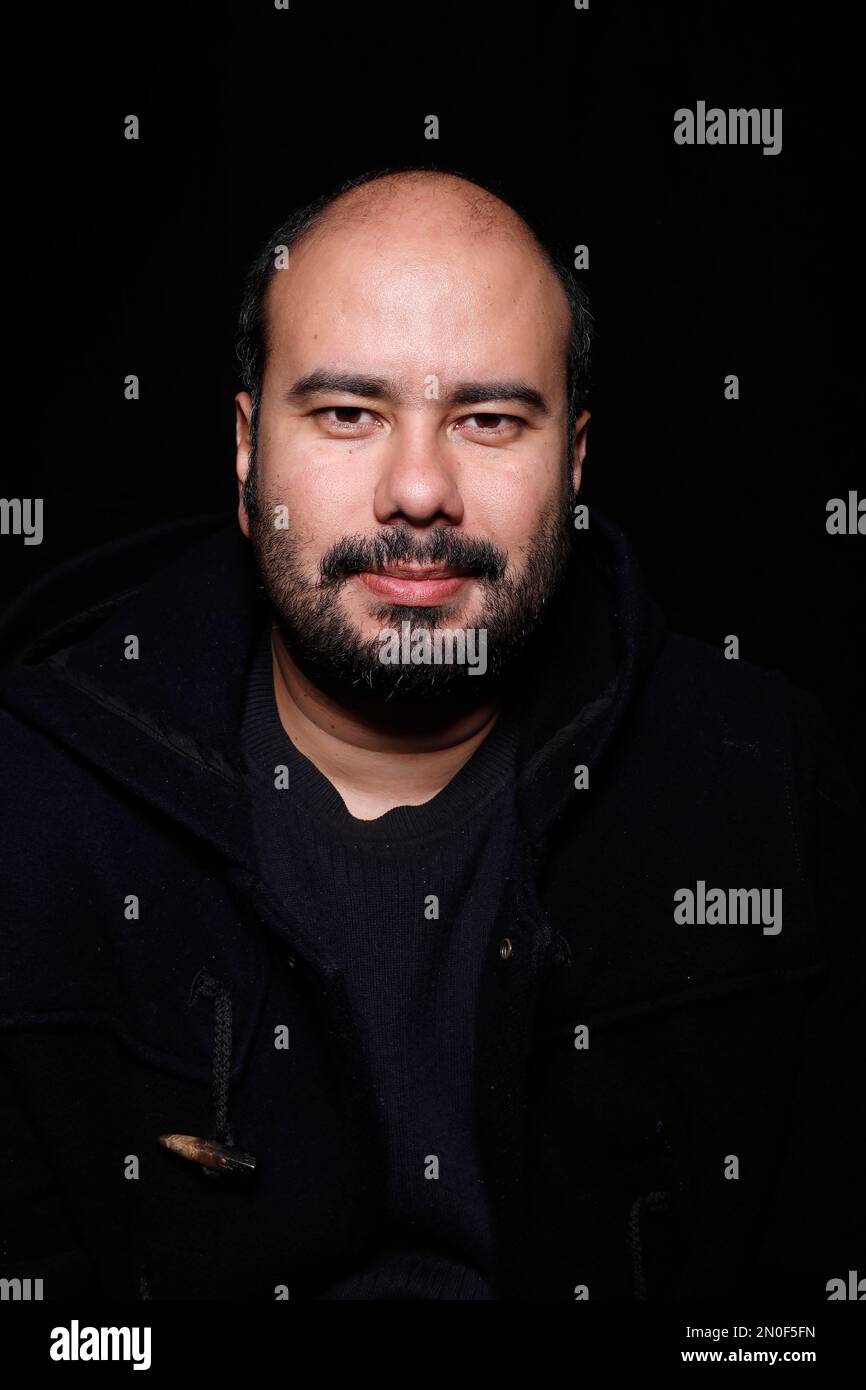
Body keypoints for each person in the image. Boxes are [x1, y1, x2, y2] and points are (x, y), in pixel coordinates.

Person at [1, 167, 863, 1301]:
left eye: (488, 418)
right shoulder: (35, 796)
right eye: (348, 413)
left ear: (574, 461)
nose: (417, 491)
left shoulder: (763, 785)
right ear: (248, 448)